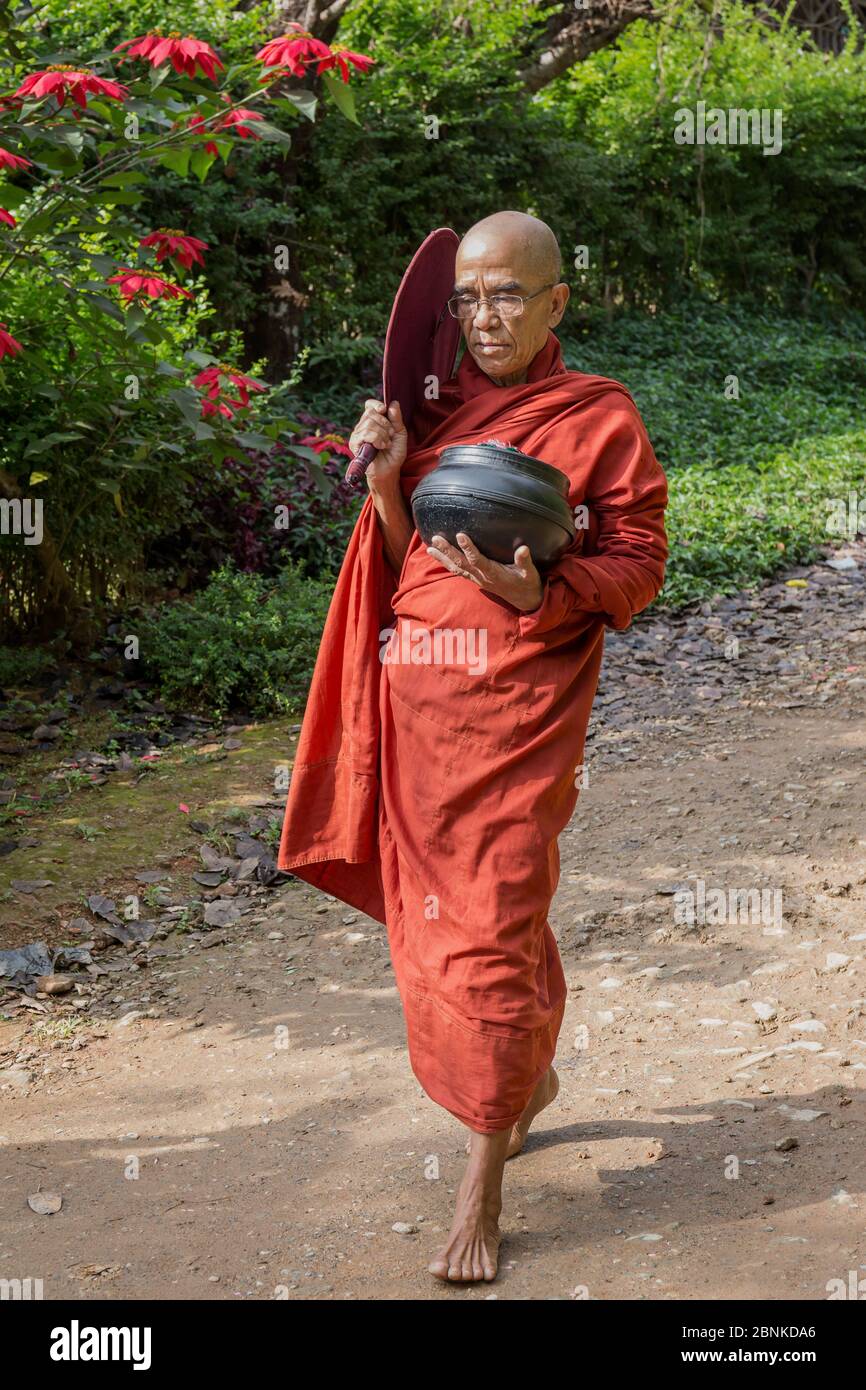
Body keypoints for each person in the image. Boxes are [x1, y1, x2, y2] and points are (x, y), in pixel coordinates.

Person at [278, 210, 668, 1283]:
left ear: (555, 302)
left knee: (492, 909)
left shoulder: (595, 415)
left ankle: (479, 1182)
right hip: (419, 713)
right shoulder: (433, 410)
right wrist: (387, 481)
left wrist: (542, 587)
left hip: (519, 715)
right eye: (466, 298)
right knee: (442, 920)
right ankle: (521, 1083)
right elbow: (413, 563)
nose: (482, 319)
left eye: (506, 296)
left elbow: (635, 561)